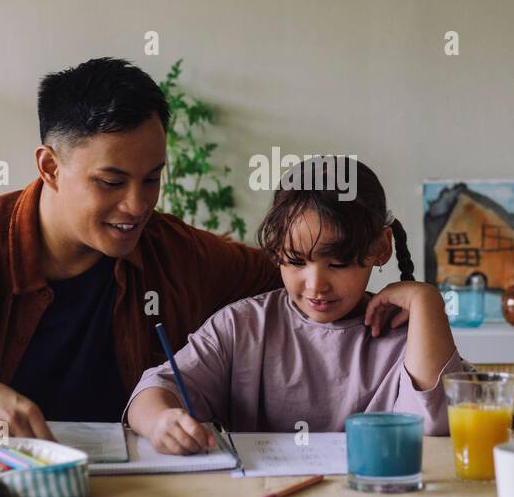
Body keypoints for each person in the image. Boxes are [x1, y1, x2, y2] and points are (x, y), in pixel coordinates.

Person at [0, 58, 281, 438]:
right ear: (50, 167)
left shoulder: (176, 253)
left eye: (152, 178)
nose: (138, 205)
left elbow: (286, 275)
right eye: (111, 182)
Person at [124, 157, 462, 455]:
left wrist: (426, 300)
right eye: (296, 261)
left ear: (380, 248)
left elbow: (438, 424)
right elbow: (152, 390)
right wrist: (160, 422)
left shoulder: (404, 338)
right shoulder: (242, 326)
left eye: (339, 263)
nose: (316, 284)